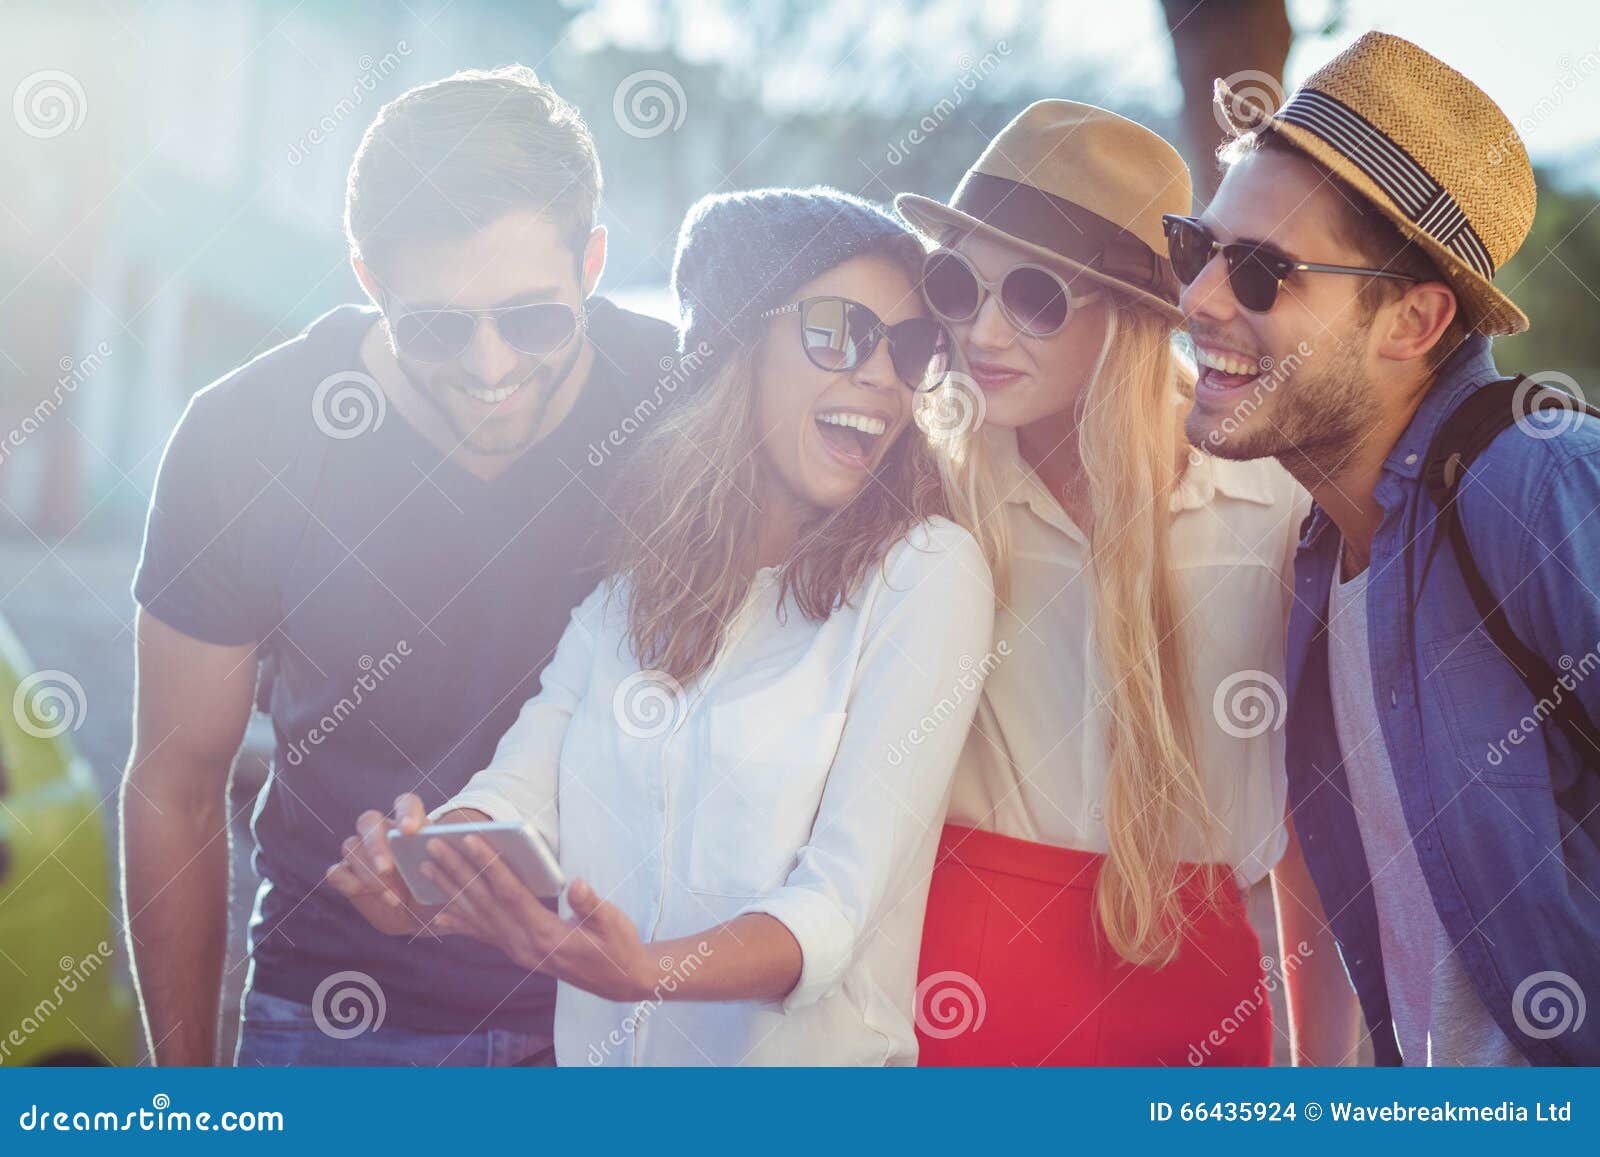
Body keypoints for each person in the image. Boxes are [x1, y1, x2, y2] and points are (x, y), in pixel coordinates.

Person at [330, 187, 996, 1066]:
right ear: (736, 345)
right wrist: (424, 867)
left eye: (910, 348)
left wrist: (649, 971)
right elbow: (522, 794)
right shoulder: (630, 593)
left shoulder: (925, 575)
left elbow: (836, 906)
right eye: (840, 331)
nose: (880, 374)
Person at [123, 66, 679, 1066]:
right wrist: (183, 1098)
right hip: (336, 1019)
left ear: (591, 262)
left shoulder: (687, 406)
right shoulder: (243, 439)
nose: (490, 366)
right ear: (369, 281)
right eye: (437, 324)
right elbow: (174, 777)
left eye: (534, 317)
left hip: (621, 1019)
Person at [895, 100, 1353, 1066]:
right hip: (962, 979)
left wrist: (1323, 1081)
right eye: (954, 284)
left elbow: (1318, 818)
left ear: (1135, 318)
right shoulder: (927, 491)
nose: (980, 330)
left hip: (1202, 987)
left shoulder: (1276, 506)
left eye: (1034, 295)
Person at [1177, 31, 1599, 1064]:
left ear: (1411, 320)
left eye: (1263, 274)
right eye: (1197, 249)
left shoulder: (1534, 478)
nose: (1196, 299)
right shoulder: (1325, 555)